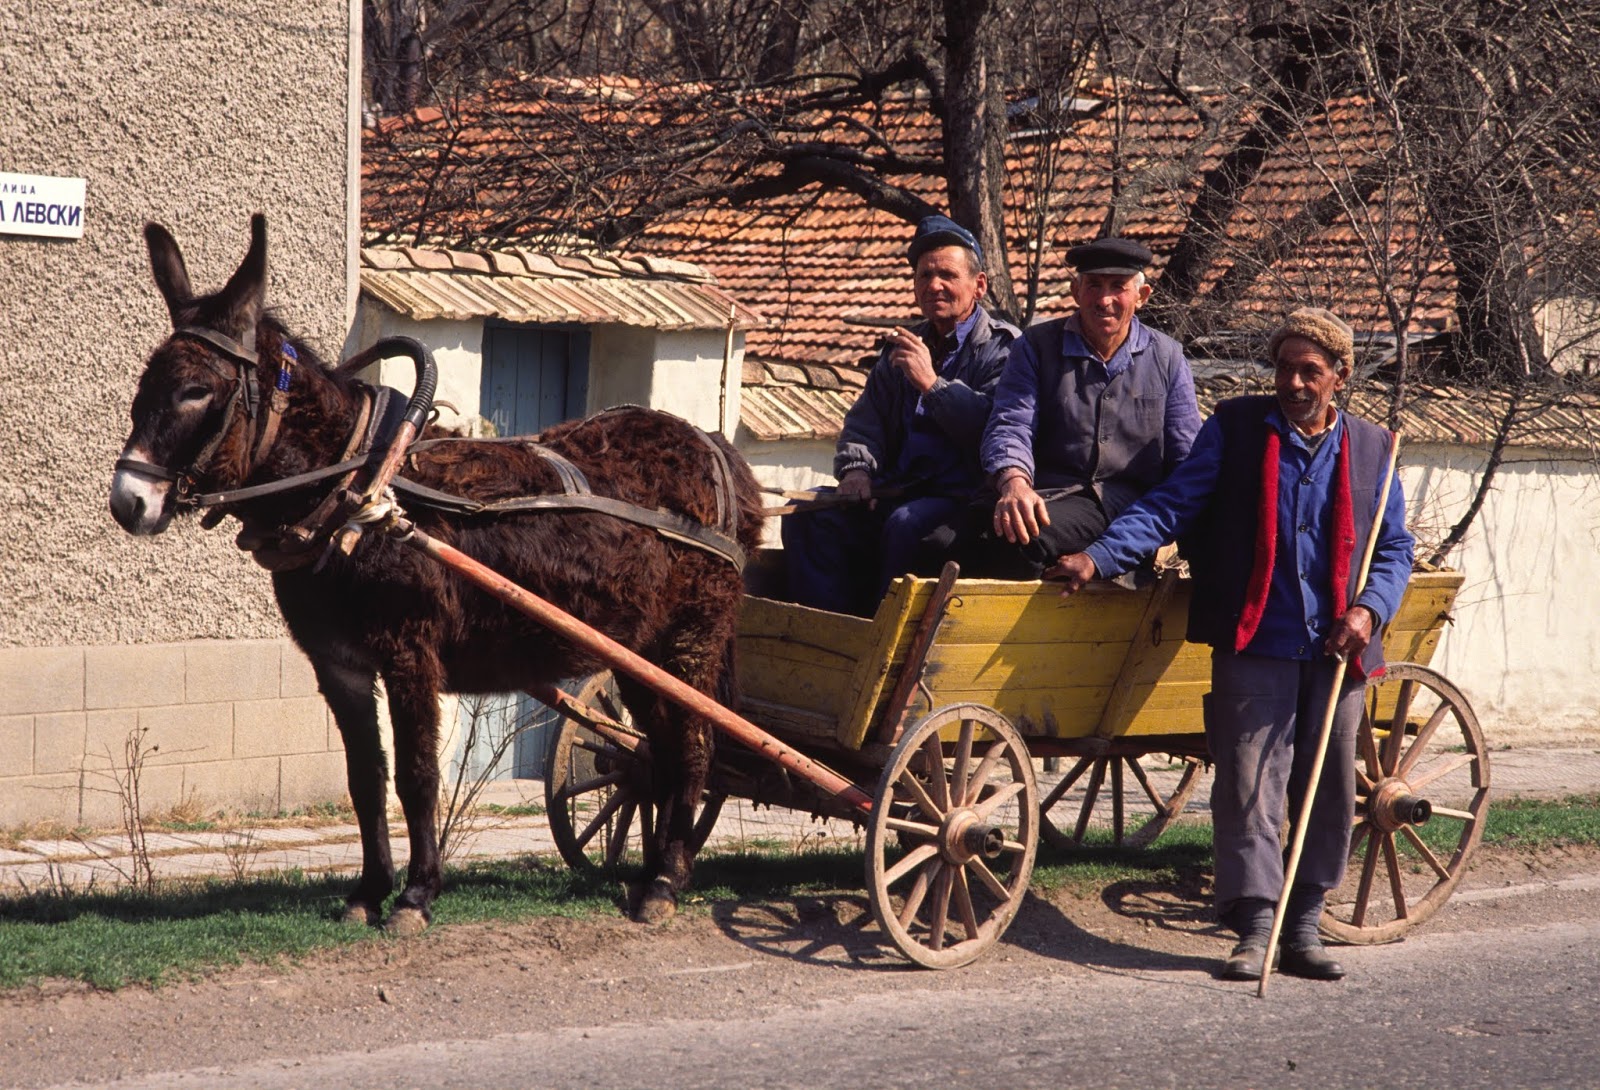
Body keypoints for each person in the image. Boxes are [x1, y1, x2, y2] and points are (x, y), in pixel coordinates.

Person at [1051, 307, 1415, 982]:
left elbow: (1394, 546)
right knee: (1248, 785)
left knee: (1328, 787)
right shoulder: (1236, 431)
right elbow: (1172, 504)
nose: (1295, 382)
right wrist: (1098, 556)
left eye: (1311, 371)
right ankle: (1253, 928)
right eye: (1285, 368)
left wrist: (1370, 609)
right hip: (1257, 637)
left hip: (1338, 648)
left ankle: (1304, 927)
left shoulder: (1373, 448)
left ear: (1340, 377)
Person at [782, 215, 1020, 616]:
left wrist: (932, 384)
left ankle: (880, 638)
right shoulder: (903, 347)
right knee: (808, 515)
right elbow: (866, 421)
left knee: (907, 525)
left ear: (978, 285)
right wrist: (857, 470)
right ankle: (826, 634)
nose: (934, 285)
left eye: (947, 274)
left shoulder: (1005, 350)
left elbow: (992, 430)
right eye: (924, 275)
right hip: (896, 489)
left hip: (965, 500)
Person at [959, 238, 1200, 578]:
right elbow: (1012, 422)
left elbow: (1187, 461)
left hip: (1118, 506)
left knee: (1018, 539)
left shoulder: (1167, 357)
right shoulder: (1036, 345)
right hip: (1043, 492)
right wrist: (1014, 481)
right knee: (940, 539)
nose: (1104, 300)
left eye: (1118, 287)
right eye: (1093, 286)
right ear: (1076, 291)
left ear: (1141, 297)